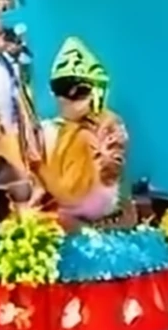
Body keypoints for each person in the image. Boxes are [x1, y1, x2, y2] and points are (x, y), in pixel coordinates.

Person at [36, 37, 128, 223]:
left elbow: (101, 179)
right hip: (58, 218)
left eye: (76, 91)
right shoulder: (51, 130)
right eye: (59, 89)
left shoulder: (108, 126)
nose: (65, 98)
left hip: (94, 222)